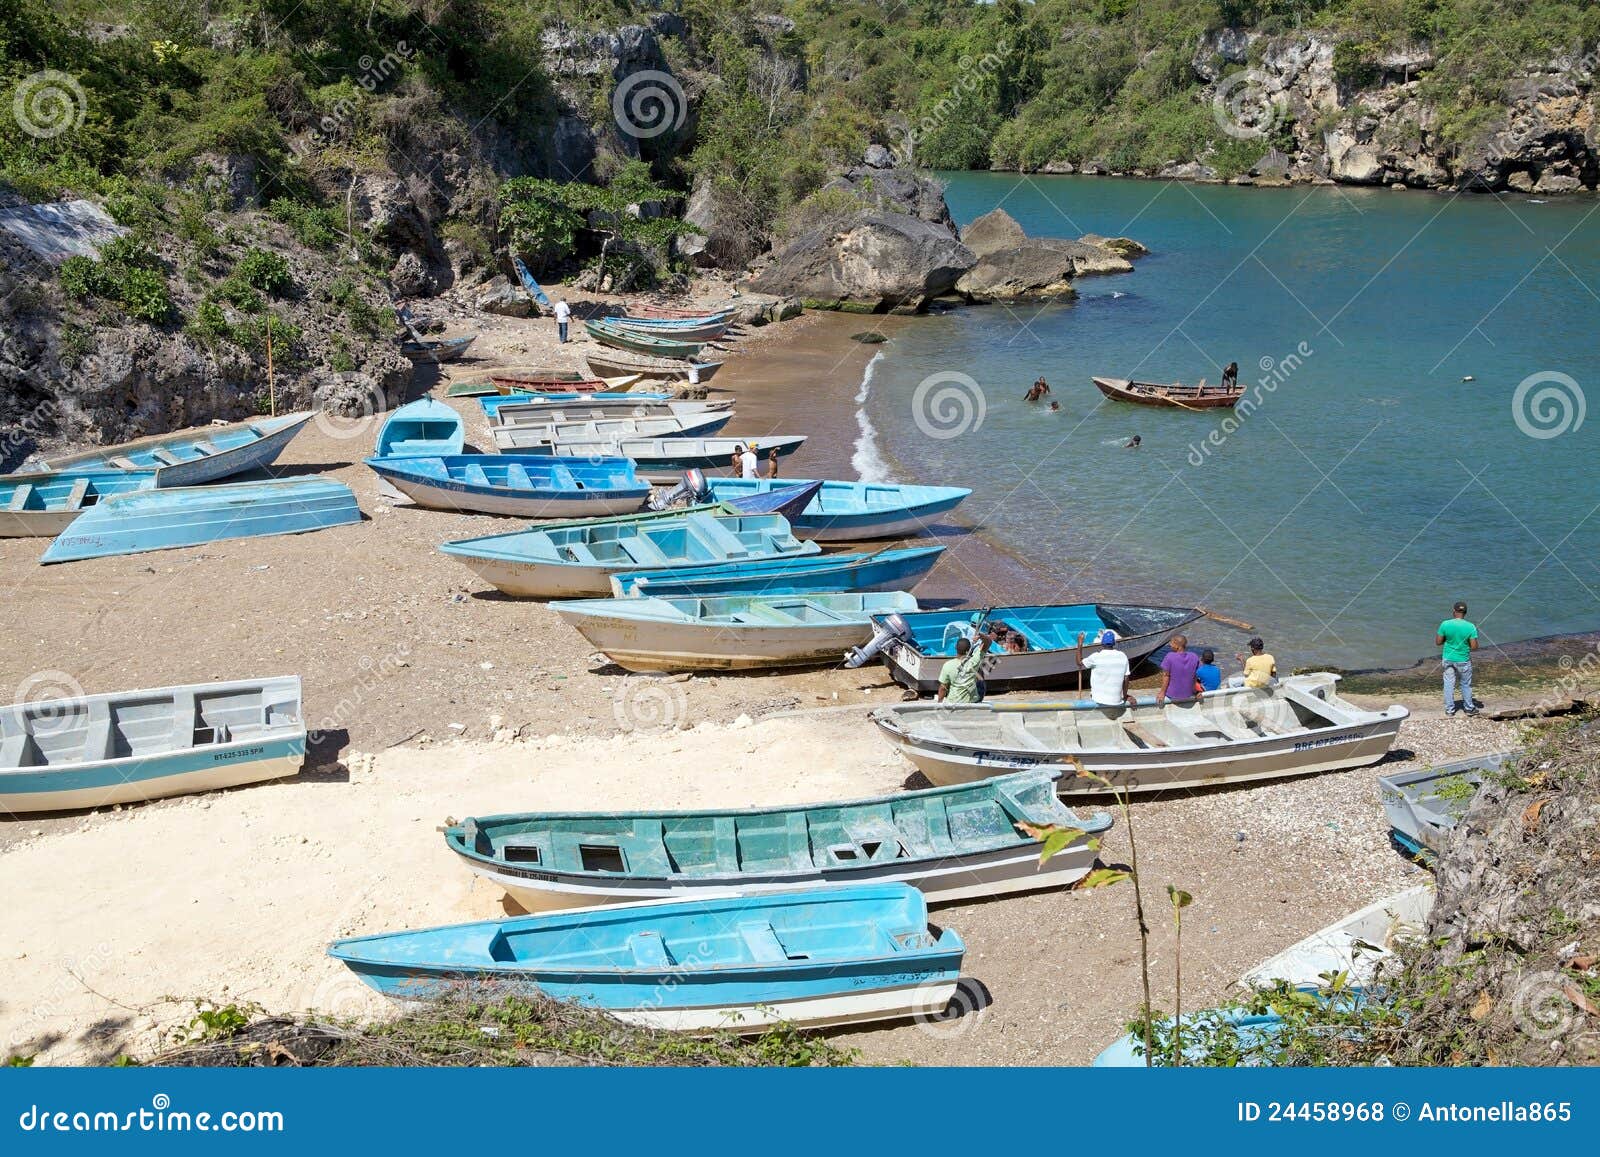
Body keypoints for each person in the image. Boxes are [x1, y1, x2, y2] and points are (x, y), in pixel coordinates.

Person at [1437, 600, 1480, 716]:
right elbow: (1474, 647)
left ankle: (1450, 710)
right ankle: (1469, 708)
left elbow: (1438, 642)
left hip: (1448, 659)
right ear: (1465, 612)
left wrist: (1449, 639)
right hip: (1463, 660)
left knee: (1448, 684)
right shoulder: (1470, 626)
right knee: (1465, 684)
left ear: (1454, 611)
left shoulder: (1445, 624)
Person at [1075, 629, 1136, 710]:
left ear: (1102, 643)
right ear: (1114, 643)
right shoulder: (1123, 656)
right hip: (1116, 700)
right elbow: (1126, 678)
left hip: (1098, 699)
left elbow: (1079, 662)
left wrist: (1080, 643)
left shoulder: (1096, 657)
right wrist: (1125, 696)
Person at [937, 630, 993, 703]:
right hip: (971, 701)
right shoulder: (974, 661)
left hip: (953, 701)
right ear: (969, 650)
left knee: (948, 682)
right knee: (980, 675)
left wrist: (939, 702)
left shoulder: (947, 665)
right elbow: (988, 642)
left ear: (956, 648)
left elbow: (943, 688)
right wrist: (980, 635)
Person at [1156, 634, 1201, 705]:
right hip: (1189, 693)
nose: (1170, 645)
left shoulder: (1169, 656)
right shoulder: (1194, 656)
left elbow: (1166, 676)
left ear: (1177, 646)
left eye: (1171, 643)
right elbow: (1195, 675)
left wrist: (1162, 692)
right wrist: (1194, 690)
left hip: (1173, 694)